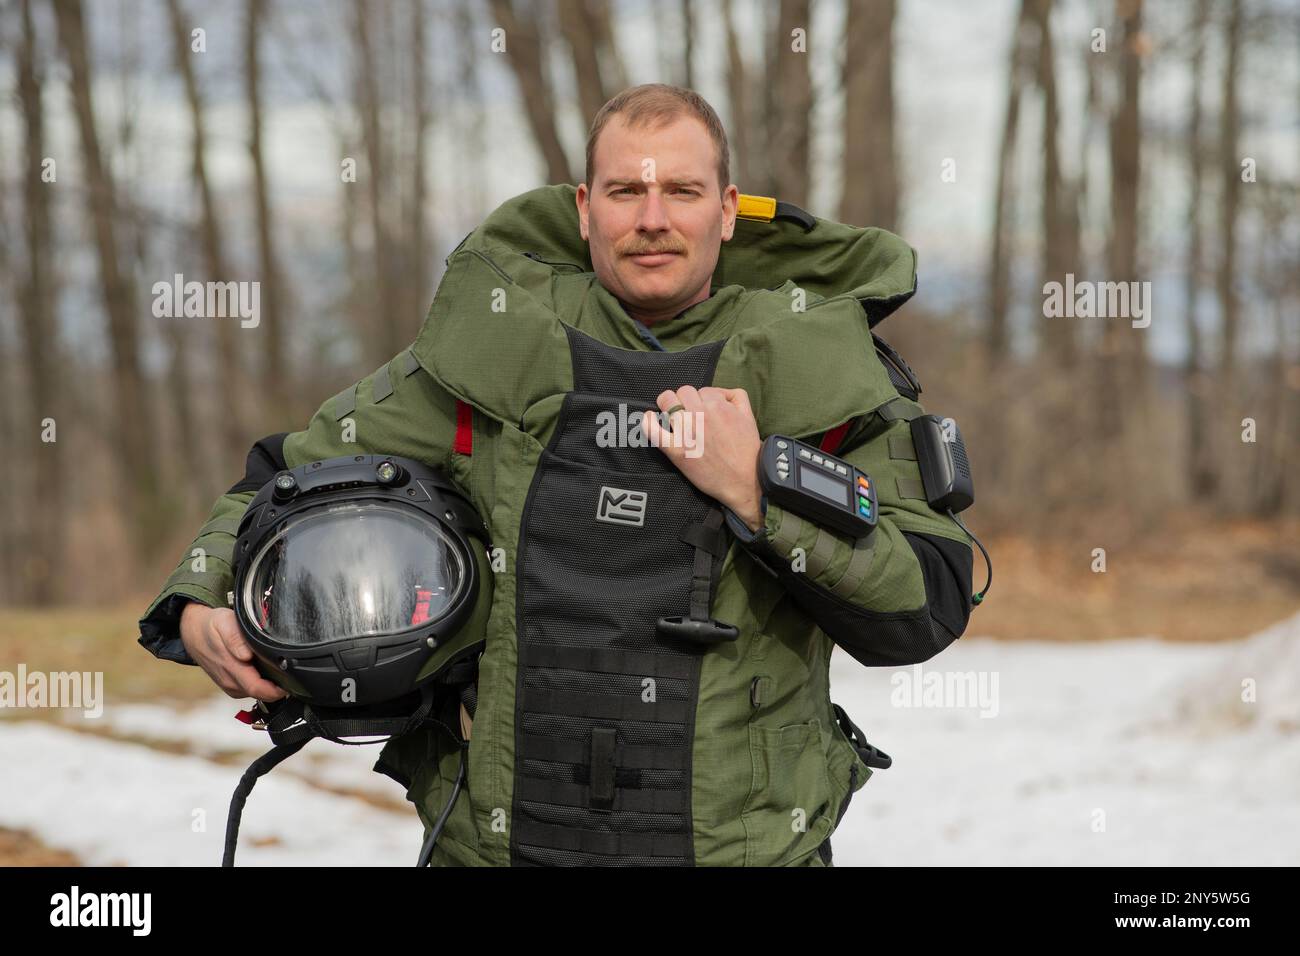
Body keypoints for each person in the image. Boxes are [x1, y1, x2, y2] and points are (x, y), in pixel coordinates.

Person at [140, 83, 976, 866]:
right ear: (584, 208)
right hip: (494, 847)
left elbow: (925, 606)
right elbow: (284, 479)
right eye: (625, 192)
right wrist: (200, 601)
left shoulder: (819, 367)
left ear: (727, 211)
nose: (653, 219)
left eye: (682, 191)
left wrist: (757, 495)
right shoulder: (493, 347)